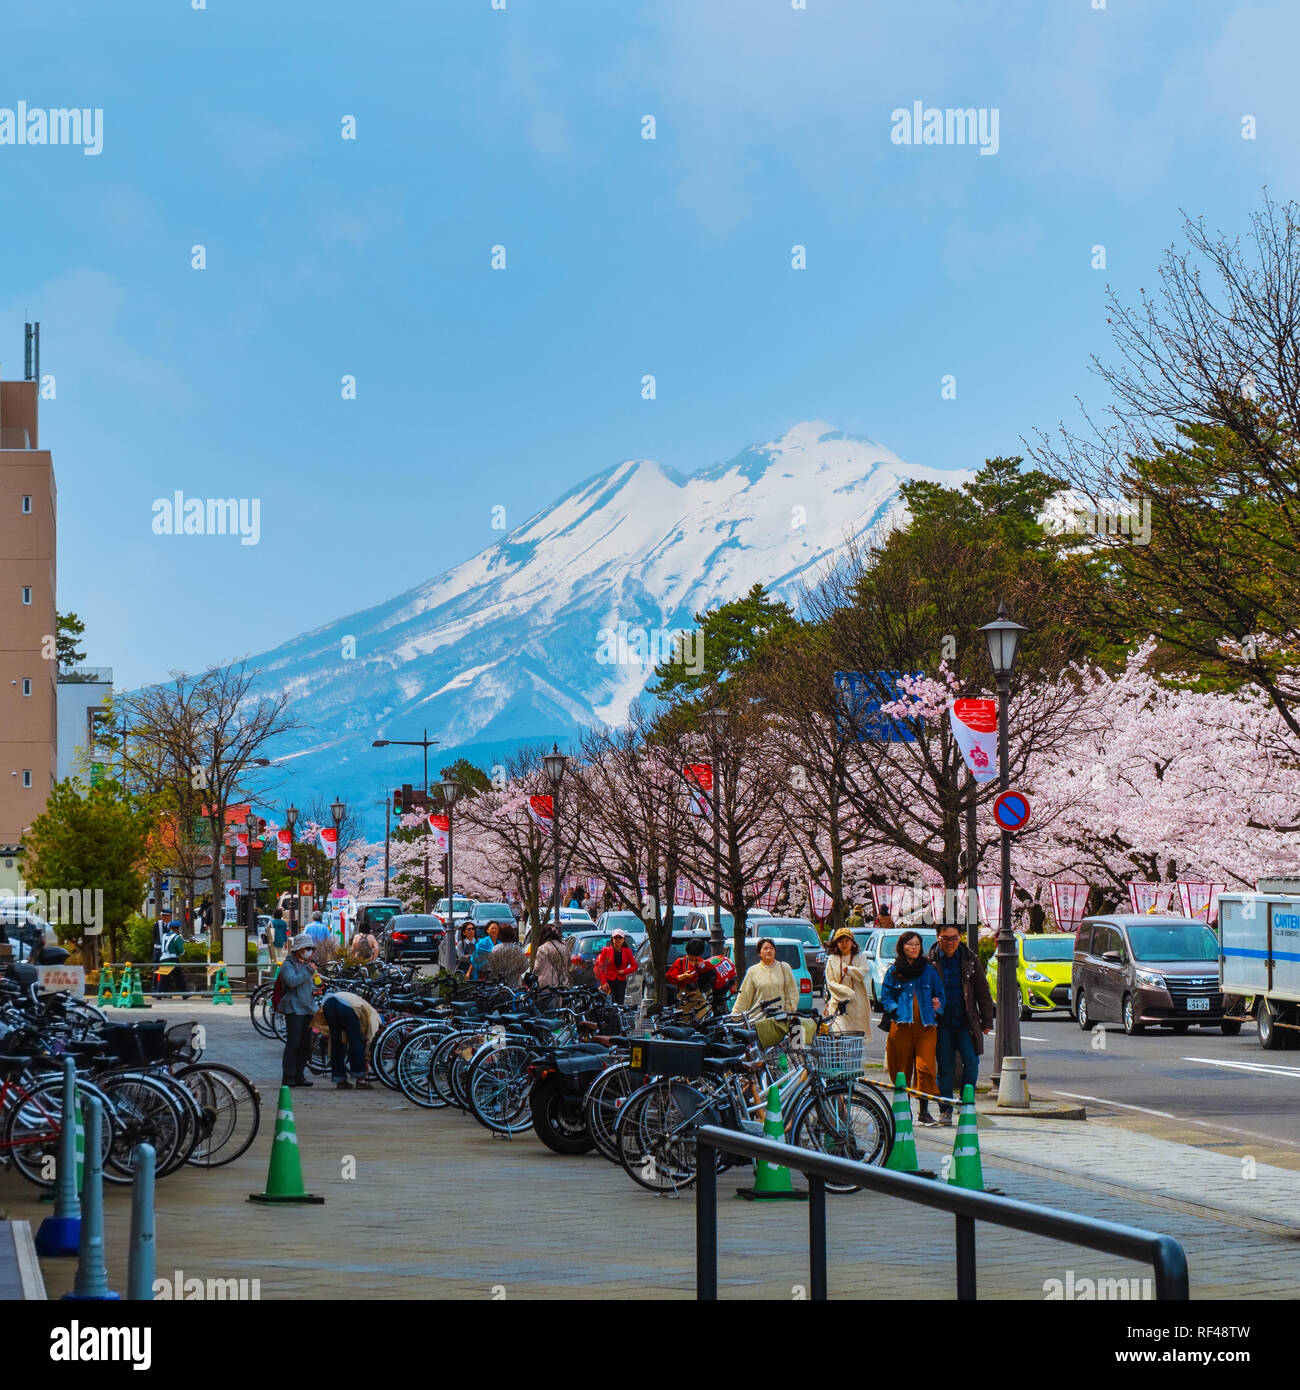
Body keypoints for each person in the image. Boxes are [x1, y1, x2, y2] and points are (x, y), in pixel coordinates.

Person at [928, 923, 994, 1126]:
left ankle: (966, 1103)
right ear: (939, 938)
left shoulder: (970, 960)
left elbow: (983, 992)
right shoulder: (929, 962)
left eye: (954, 938)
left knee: (972, 1063)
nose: (950, 942)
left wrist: (986, 1020)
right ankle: (946, 1109)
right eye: (946, 938)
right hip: (942, 1024)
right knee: (945, 1069)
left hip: (966, 1022)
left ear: (960, 938)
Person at [880, 930, 945, 1126]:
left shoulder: (929, 969)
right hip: (902, 1025)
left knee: (925, 1068)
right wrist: (895, 1010)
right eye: (910, 944)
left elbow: (940, 995)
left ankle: (924, 1111)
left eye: (917, 944)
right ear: (902, 947)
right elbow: (886, 995)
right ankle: (904, 1110)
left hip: (926, 1025)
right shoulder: (894, 970)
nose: (914, 947)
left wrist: (937, 1005)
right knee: (901, 1070)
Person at [732, 937, 801, 1048]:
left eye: (771, 948)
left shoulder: (784, 968)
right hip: (759, 1021)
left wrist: (790, 1011)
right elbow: (744, 996)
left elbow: (792, 992)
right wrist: (735, 1017)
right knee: (762, 1053)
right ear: (759, 953)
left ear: (775, 951)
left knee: (780, 1053)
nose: (768, 951)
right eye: (765, 949)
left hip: (780, 1019)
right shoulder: (752, 971)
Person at [313, 990, 381, 1089]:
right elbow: (370, 1038)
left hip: (329, 1003)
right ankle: (360, 1079)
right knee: (356, 1042)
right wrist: (366, 1056)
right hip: (347, 1007)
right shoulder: (375, 1016)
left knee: (337, 1041)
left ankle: (340, 1079)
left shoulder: (363, 1005)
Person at [277, 934, 319, 1088]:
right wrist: (308, 970)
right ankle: (289, 1076)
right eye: (307, 949)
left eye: (311, 949)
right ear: (299, 949)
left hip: (308, 1007)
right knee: (293, 1043)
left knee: (305, 1044)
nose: (310, 952)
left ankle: (300, 1075)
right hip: (294, 1008)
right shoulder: (288, 965)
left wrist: (316, 989)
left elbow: (307, 984)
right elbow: (292, 982)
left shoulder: (307, 965)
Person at [823, 926, 871, 1038]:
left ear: (852, 942)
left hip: (857, 1003)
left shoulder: (860, 958)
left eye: (847, 941)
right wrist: (847, 992)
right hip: (838, 1003)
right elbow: (831, 983)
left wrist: (849, 970)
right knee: (840, 1035)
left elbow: (863, 973)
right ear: (836, 943)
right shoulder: (832, 959)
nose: (844, 944)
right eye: (840, 941)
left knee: (855, 1039)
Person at [667, 937, 715, 1021]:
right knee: (684, 1018)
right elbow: (671, 977)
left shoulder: (701, 962)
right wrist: (684, 976)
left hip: (698, 994)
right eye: (691, 957)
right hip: (685, 995)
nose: (693, 959)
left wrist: (702, 968)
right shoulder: (680, 962)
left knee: (702, 1015)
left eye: (696, 957)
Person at [594, 929, 638, 1004]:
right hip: (609, 981)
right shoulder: (606, 950)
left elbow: (635, 966)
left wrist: (624, 971)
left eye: (620, 937)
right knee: (610, 1002)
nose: (618, 939)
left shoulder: (627, 951)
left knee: (620, 1002)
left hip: (621, 981)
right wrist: (603, 982)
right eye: (615, 938)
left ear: (623, 940)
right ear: (612, 939)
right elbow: (601, 967)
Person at [156, 919, 193, 1000]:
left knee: (163, 976)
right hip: (172, 958)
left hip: (163, 958)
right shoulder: (177, 937)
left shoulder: (164, 935)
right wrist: (183, 952)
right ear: (177, 928)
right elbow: (180, 949)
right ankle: (184, 993)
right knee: (178, 976)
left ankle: (158, 993)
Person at [483, 923, 528, 989]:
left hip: (499, 984)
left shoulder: (495, 949)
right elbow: (525, 966)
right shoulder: (517, 949)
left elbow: (490, 967)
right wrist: (516, 972)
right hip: (514, 983)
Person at [533, 924, 569, 989]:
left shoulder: (542, 949)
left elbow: (537, 968)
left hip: (546, 984)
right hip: (563, 981)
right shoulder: (564, 947)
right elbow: (568, 964)